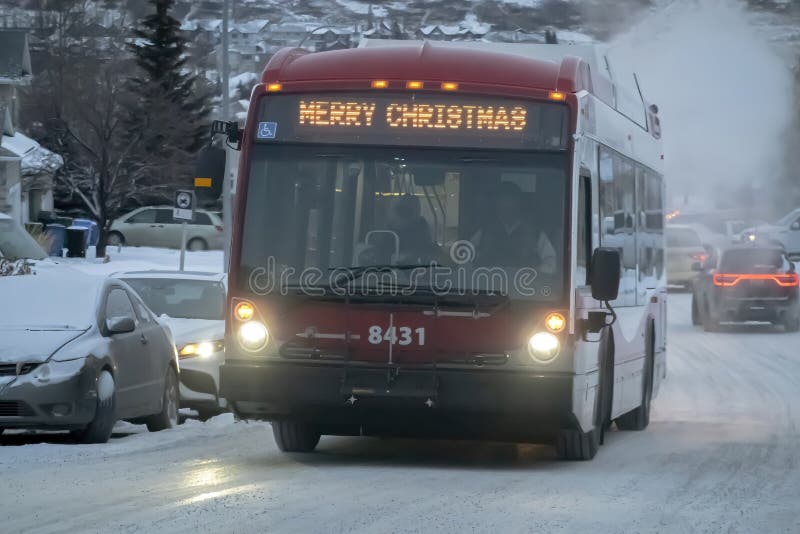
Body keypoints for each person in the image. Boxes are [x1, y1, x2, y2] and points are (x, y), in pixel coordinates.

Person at [471, 181, 557, 273]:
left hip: (524, 285)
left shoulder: (536, 233)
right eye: (503, 201)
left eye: (511, 200)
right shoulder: (485, 231)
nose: (507, 205)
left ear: (519, 203)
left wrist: (536, 273)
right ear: (497, 204)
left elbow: (550, 261)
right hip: (488, 284)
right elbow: (468, 255)